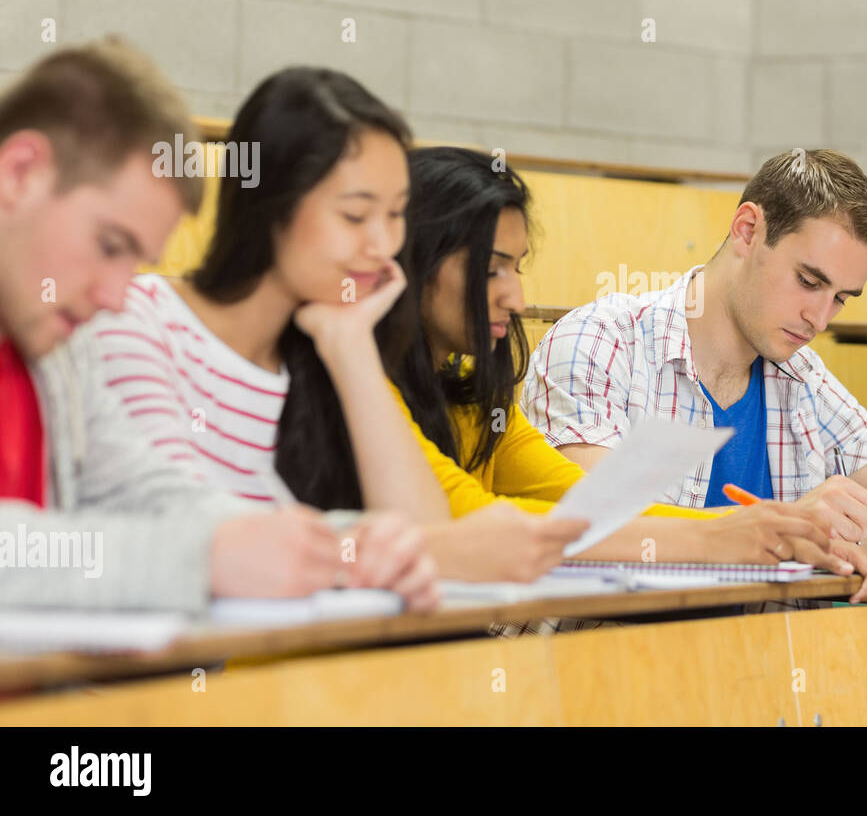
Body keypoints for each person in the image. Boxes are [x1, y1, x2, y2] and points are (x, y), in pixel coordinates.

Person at [82, 66, 588, 583]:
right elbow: (186, 532)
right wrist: (397, 553)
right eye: (354, 216)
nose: (383, 246)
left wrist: (352, 351)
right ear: (270, 207)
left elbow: (424, 535)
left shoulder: (331, 344)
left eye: (394, 216)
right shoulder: (137, 321)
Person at [0, 39, 437, 613]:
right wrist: (204, 557)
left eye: (136, 262)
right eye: (109, 244)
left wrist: (343, 544)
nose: (114, 296)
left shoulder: (59, 351)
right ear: (19, 173)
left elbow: (150, 494)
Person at [387, 146, 867, 598]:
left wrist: (768, 530)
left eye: (515, 270)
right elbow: (469, 524)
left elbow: (588, 510)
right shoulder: (368, 389)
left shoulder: (476, 401)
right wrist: (743, 534)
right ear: (415, 259)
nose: (515, 298)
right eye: (491, 269)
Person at [522, 147, 867, 572]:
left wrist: (826, 532)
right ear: (747, 230)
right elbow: (598, 527)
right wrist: (784, 528)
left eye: (841, 298)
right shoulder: (599, 342)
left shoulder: (804, 378)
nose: (818, 319)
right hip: (598, 651)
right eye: (808, 280)